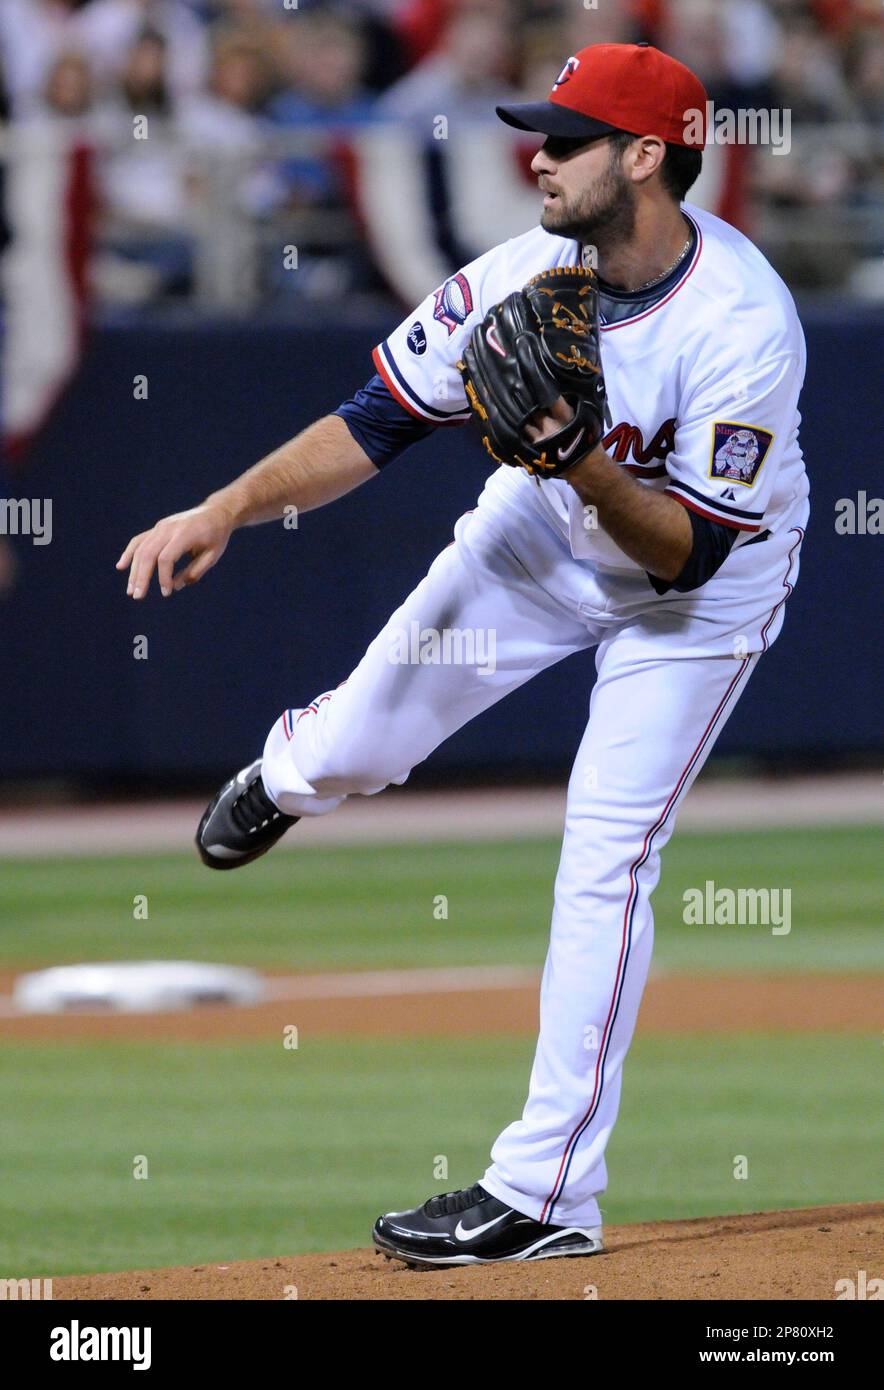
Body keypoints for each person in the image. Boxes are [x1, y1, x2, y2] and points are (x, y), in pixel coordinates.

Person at [117, 43, 810, 1269]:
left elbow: (686, 556)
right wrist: (223, 505)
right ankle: (290, 772)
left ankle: (542, 1193)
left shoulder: (742, 324)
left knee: (607, 848)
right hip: (541, 536)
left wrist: (579, 455)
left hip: (694, 596)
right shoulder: (523, 271)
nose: (533, 153)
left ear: (645, 158)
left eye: (567, 136)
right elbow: (375, 420)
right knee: (352, 746)